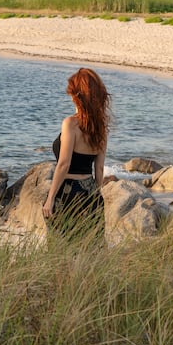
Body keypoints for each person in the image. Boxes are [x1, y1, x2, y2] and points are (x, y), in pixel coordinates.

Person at [42, 67, 111, 235]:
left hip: (68, 192)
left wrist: (50, 198)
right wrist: (96, 196)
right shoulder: (101, 128)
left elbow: (64, 164)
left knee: (62, 245)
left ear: (77, 96)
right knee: (89, 246)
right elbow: (99, 168)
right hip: (91, 192)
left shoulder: (70, 124)